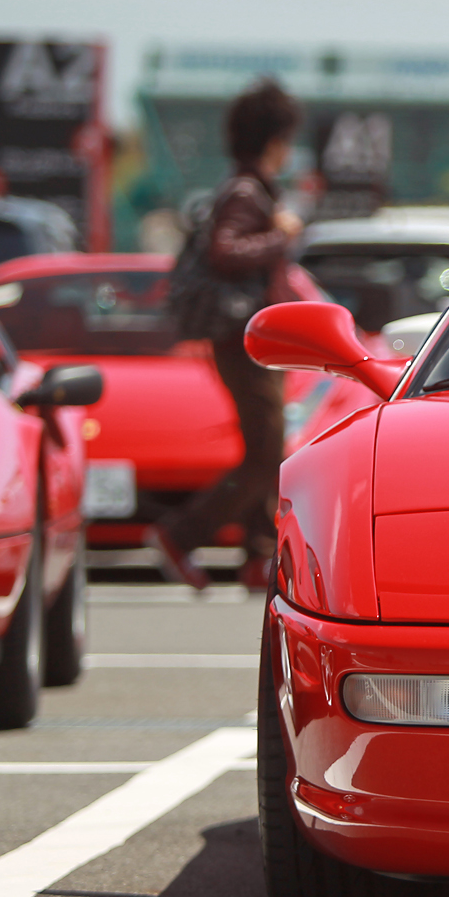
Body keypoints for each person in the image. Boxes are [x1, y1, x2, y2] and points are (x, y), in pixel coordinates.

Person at [147, 80, 303, 592]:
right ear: (275, 140)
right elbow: (225, 250)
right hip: (244, 336)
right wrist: (282, 232)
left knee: (268, 447)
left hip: (246, 337)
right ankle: (181, 534)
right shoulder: (248, 192)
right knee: (266, 454)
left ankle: (258, 560)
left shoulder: (242, 187)